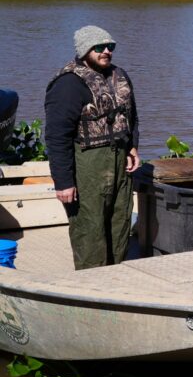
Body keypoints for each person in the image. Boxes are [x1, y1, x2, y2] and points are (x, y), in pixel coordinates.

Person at [44, 25, 141, 269]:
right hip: (87, 163)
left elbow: (132, 116)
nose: (107, 51)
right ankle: (92, 284)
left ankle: (117, 274)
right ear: (85, 49)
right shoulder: (68, 84)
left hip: (120, 159)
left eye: (111, 46)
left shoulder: (120, 75)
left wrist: (132, 147)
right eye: (99, 47)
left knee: (120, 221)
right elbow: (57, 137)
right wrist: (63, 182)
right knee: (90, 226)